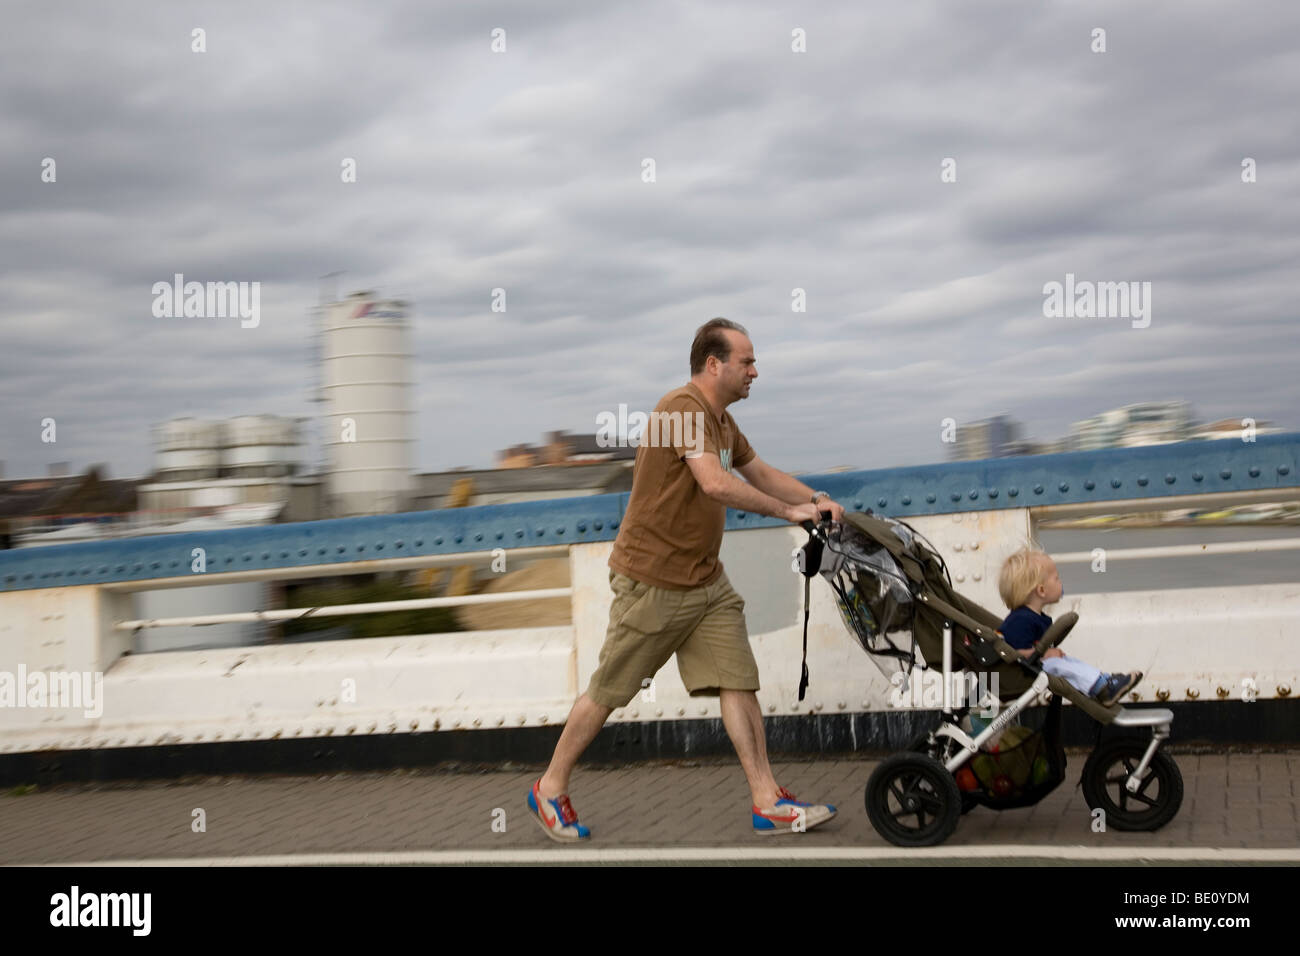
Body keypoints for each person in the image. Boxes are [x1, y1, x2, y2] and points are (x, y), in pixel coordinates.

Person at [527, 318, 845, 840]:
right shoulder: (679, 410)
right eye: (747, 361)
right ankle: (550, 786)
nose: (755, 371)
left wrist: (813, 501)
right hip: (653, 581)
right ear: (714, 364)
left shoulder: (721, 421)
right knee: (610, 691)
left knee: (738, 678)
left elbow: (759, 472)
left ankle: (766, 800)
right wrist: (788, 516)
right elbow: (715, 483)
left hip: (706, 582)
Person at [997, 548, 1142, 705]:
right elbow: (1012, 653)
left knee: (1068, 661)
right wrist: (1045, 653)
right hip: (1026, 672)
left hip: (1036, 666)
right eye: (1056, 579)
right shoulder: (1020, 621)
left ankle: (1104, 681)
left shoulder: (1036, 617)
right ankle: (1101, 687)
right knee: (1060, 665)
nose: (1060, 582)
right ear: (1041, 590)